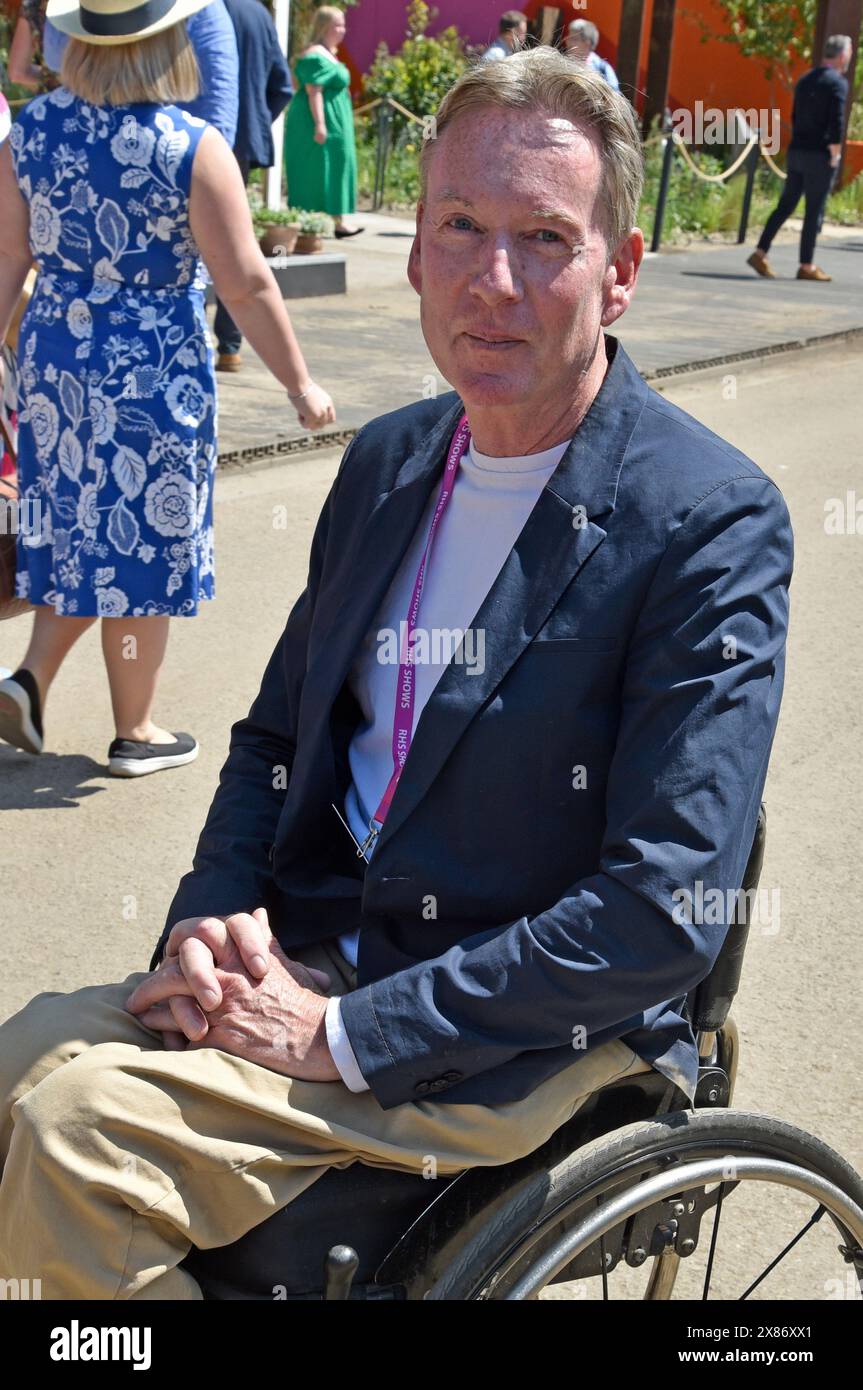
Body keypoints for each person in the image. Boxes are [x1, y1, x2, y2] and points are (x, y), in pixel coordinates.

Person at [0, 47, 792, 1298]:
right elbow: (271, 741)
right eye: (461, 227)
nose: (494, 281)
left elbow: (661, 908)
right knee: (23, 1054)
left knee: (74, 1134)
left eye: (544, 238)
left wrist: (347, 1032)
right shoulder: (391, 460)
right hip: (325, 945)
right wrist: (211, 919)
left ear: (621, 274)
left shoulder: (704, 521)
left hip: (515, 1032)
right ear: (413, 252)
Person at [0, 0, 334, 775]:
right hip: (148, 370)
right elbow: (245, 286)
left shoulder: (33, 131)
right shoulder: (191, 145)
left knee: (80, 525)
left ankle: (29, 682)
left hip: (55, 367)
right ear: (169, 43)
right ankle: (135, 732)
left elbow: (9, 260)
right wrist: (299, 382)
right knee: (141, 536)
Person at [214, 0, 294, 373]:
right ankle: (229, 346)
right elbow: (283, 87)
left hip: (190, 144)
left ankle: (199, 335)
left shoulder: (194, 9)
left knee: (185, 244)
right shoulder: (259, 14)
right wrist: (254, 123)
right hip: (240, 147)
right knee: (234, 242)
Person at [41, 0, 240, 144]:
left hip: (86, 136)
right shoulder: (208, 12)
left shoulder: (32, 128)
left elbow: (54, 56)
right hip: (184, 157)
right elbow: (220, 106)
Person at [748, 34, 852, 283]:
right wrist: (835, 152)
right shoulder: (837, 82)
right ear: (842, 56)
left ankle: (760, 252)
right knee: (813, 210)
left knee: (786, 204)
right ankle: (806, 265)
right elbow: (837, 119)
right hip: (819, 153)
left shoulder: (806, 79)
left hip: (797, 150)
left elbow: (795, 115)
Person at [284, 5, 362, 238]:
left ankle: (338, 220)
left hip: (337, 122)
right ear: (324, 27)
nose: (342, 30)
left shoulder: (329, 53)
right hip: (317, 121)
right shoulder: (314, 55)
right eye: (337, 25)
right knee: (314, 169)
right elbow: (313, 91)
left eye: (343, 25)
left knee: (337, 164)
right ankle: (310, 221)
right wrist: (320, 124)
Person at [564, 18, 619, 91]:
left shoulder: (603, 69)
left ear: (587, 43)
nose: (568, 42)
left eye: (574, 39)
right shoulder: (562, 64)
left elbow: (614, 97)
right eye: (568, 38)